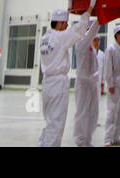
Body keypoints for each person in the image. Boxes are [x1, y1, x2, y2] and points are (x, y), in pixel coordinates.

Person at [38, 8, 98, 147]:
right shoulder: (59, 38)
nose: (66, 27)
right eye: (65, 24)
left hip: (47, 83)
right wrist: (88, 10)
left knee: (50, 121)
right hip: (57, 84)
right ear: (59, 24)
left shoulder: (45, 38)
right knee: (57, 124)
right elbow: (78, 29)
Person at [73, 33, 103, 146]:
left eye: (97, 40)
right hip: (83, 84)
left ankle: (87, 139)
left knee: (93, 112)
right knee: (82, 112)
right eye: (94, 39)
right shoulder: (81, 43)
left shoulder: (94, 51)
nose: (96, 41)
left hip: (93, 84)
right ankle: (80, 139)